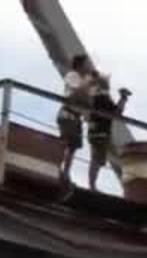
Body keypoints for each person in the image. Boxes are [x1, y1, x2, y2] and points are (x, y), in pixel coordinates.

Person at [56, 54, 99, 183]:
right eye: (87, 63)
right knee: (66, 143)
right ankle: (57, 167)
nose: (89, 66)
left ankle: (65, 172)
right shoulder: (72, 75)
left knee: (72, 146)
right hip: (68, 113)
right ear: (80, 65)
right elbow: (76, 92)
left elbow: (90, 100)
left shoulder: (84, 80)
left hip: (76, 116)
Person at [84, 76, 130, 193]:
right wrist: (123, 98)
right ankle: (92, 185)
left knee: (98, 159)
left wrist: (122, 99)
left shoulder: (97, 97)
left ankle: (92, 184)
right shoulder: (101, 97)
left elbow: (115, 112)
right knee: (98, 159)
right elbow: (116, 112)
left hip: (98, 132)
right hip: (100, 132)